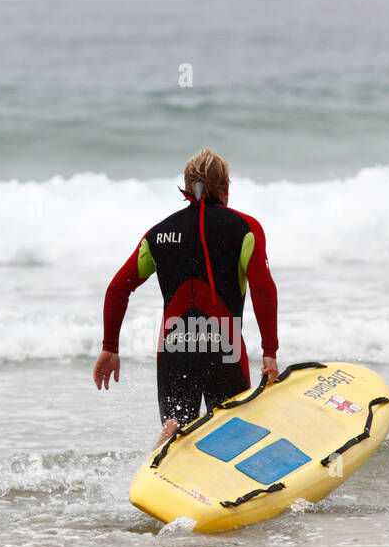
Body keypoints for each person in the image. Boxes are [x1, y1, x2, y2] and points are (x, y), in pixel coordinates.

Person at [94, 148, 280, 447]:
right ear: (226, 188)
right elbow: (263, 290)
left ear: (186, 186)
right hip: (224, 347)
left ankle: (169, 439)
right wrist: (269, 351)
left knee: (179, 435)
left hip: (174, 348)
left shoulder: (158, 234)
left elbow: (118, 288)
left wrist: (110, 347)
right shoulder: (246, 228)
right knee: (234, 437)